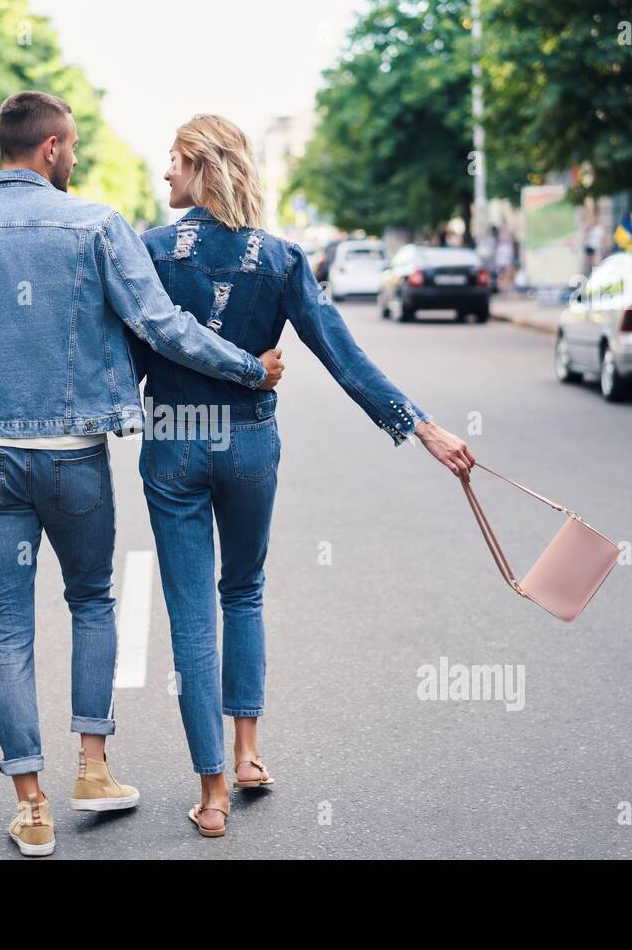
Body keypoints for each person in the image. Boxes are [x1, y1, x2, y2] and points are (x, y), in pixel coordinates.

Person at [0, 92, 285, 857]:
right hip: (74, 455)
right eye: (72, 145)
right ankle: (92, 767)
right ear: (50, 150)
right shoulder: (95, 225)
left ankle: (31, 804)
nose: (75, 156)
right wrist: (248, 367)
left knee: (7, 629)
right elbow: (161, 327)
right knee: (91, 602)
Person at [132, 114, 475, 837]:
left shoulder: (151, 252)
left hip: (173, 443)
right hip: (250, 441)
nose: (164, 174)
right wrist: (422, 426)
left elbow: (126, 353)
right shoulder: (280, 258)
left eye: (172, 161)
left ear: (198, 164)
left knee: (193, 618)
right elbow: (341, 354)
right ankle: (250, 752)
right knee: (245, 590)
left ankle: (214, 793)